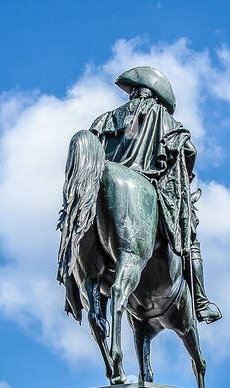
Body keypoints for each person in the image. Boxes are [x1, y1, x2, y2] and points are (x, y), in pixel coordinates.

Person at [89, 66, 221, 324]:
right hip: (150, 182)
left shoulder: (105, 119)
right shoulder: (159, 114)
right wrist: (184, 176)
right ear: (154, 96)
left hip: (100, 192)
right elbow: (189, 150)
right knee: (189, 239)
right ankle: (201, 302)